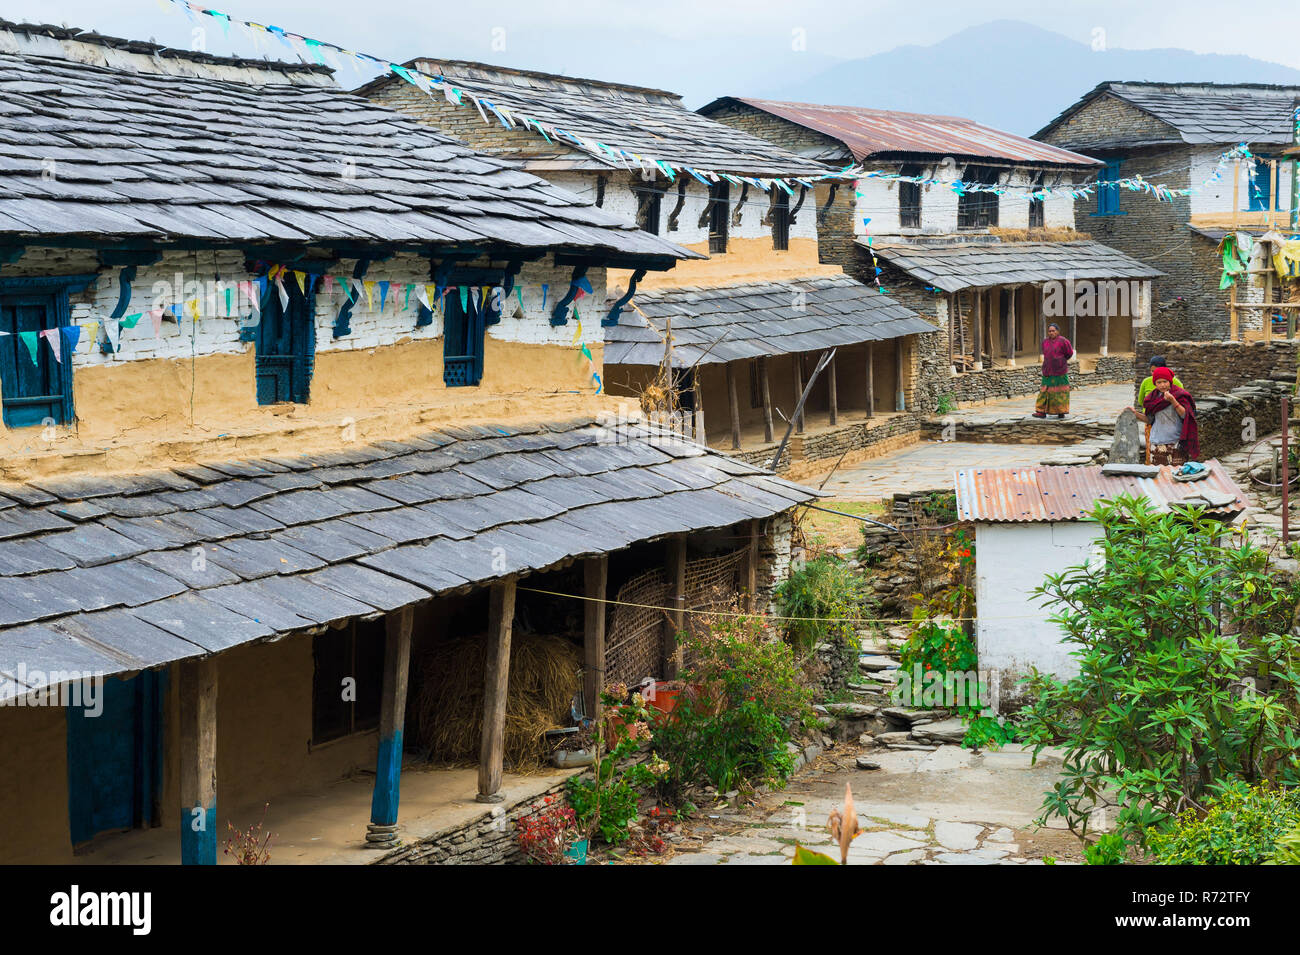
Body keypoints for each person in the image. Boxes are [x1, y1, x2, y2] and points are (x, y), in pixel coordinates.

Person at [1142, 366, 1199, 466]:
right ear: (1155, 384)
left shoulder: (1179, 395)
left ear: (1170, 381)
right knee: (1159, 476)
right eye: (1159, 382)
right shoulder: (1152, 398)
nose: (1162, 385)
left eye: (1165, 381)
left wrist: (1173, 400)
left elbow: (1185, 415)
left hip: (1176, 442)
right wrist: (1135, 414)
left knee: (1177, 475)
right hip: (1156, 442)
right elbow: (1149, 420)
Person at [1032, 323, 1073, 419]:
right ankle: (1041, 412)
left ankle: (1061, 411)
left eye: (1053, 331)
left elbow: (1069, 353)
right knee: (1044, 391)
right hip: (1047, 370)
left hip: (1060, 371)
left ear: (1057, 331)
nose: (1051, 332)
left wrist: (1060, 361)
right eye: (1049, 331)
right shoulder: (1045, 342)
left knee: (1060, 392)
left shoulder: (1063, 341)